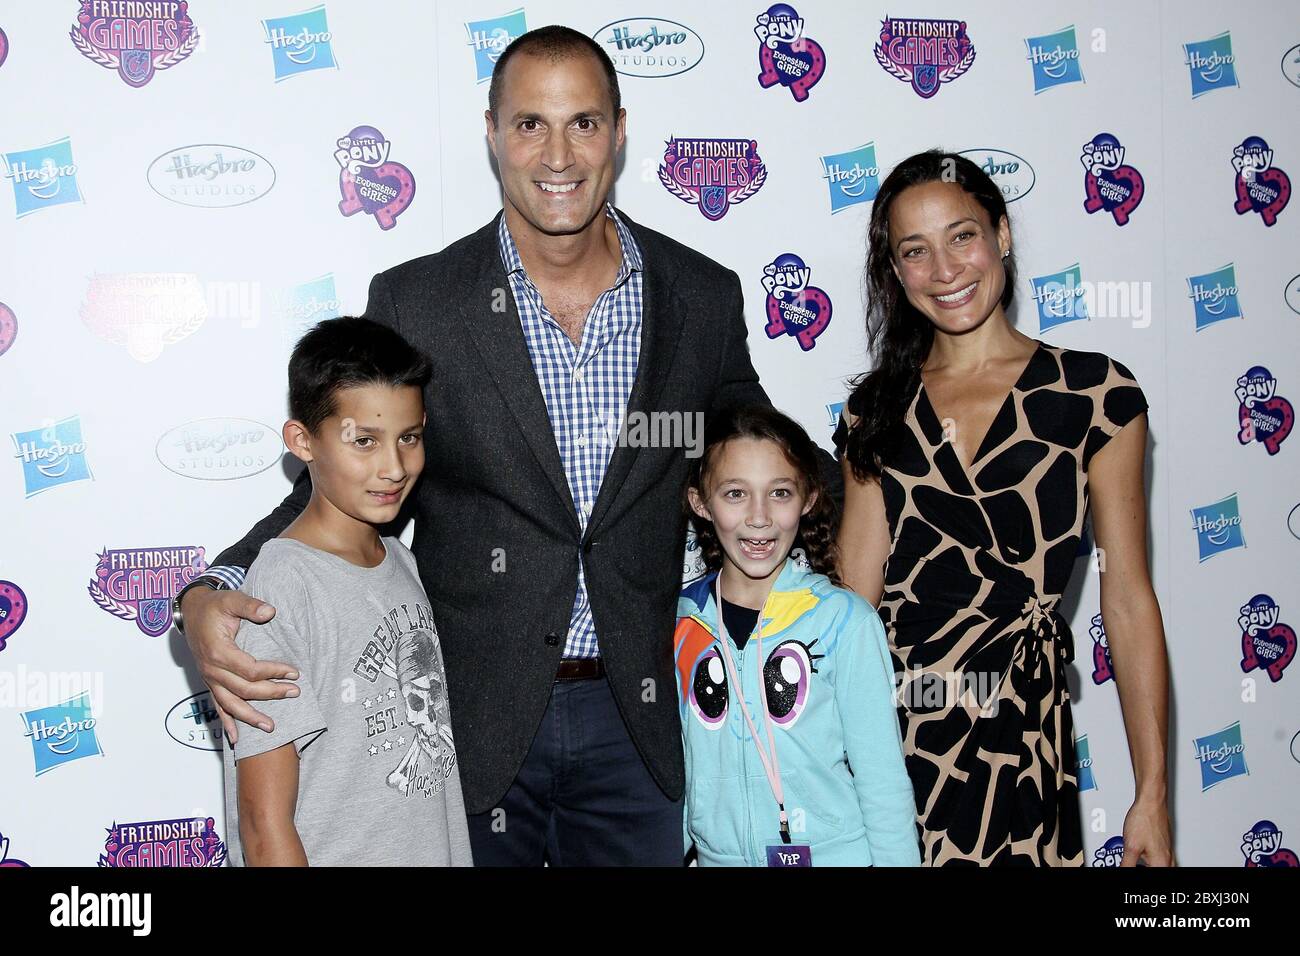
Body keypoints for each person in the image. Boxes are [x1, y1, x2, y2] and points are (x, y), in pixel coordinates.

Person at [175, 26, 840, 866]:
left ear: (620, 131)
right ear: (492, 134)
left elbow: (766, 455)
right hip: (467, 720)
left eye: (584, 124)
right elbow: (332, 477)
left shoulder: (700, 296)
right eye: (531, 124)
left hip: (640, 721)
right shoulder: (420, 298)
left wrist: (879, 510)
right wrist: (211, 587)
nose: (558, 154)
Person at [833, 151, 1174, 866]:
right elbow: (851, 615)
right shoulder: (876, 413)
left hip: (1026, 738)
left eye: (963, 236)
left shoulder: (1096, 396)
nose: (946, 269)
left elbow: (1129, 602)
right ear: (895, 273)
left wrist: (1152, 795)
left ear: (1003, 235)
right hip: (899, 741)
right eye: (914, 251)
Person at [222, 317, 471, 866]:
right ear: (301, 441)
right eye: (364, 442)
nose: (394, 467)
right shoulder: (279, 588)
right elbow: (265, 828)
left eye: (409, 437)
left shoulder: (400, 559)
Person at [675, 405, 919, 867]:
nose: (760, 517)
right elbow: (677, 773)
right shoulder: (681, 623)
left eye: (780, 493)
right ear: (700, 504)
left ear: (807, 499)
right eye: (735, 494)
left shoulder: (844, 621)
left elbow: (883, 779)